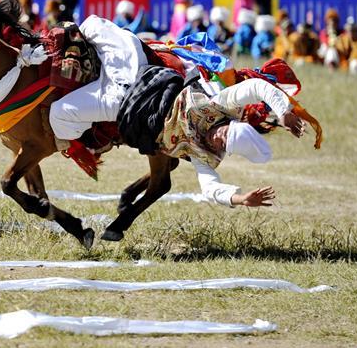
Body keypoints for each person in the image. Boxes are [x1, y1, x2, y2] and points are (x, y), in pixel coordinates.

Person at [157, 76, 308, 207]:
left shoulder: (206, 154)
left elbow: (209, 188)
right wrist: (283, 111)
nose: (216, 138)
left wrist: (240, 199)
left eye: (222, 144)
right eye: (224, 133)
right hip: (170, 86)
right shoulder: (223, 105)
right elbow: (256, 86)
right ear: (229, 124)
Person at [49, 15, 148, 142]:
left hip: (124, 95)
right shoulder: (100, 27)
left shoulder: (93, 26)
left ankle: (88, 133)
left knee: (58, 113)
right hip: (131, 76)